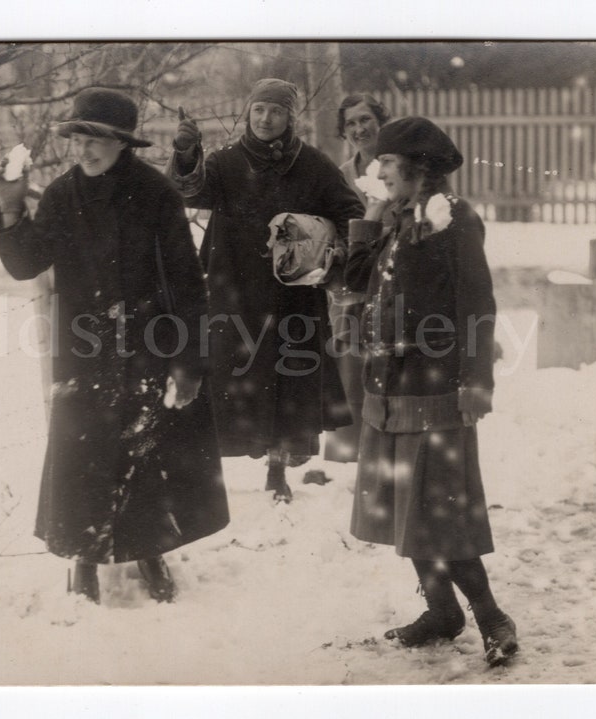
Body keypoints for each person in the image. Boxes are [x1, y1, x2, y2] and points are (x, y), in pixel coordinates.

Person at [0, 87, 229, 604]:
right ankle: (85, 558)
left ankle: (150, 550)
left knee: (145, 449)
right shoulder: (62, 195)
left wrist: (189, 361)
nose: (84, 149)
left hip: (148, 346)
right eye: (78, 138)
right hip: (83, 348)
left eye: (96, 139)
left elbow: (187, 281)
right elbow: (26, 263)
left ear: (123, 142)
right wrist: (10, 208)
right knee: (84, 454)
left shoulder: (155, 194)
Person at [343, 116, 518, 667]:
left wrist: (477, 380)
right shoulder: (398, 218)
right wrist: (370, 218)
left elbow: (478, 302)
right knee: (407, 508)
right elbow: (355, 279)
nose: (379, 171)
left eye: (387, 162)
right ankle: (442, 611)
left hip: (436, 387)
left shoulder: (454, 218)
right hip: (389, 386)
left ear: (417, 167)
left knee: (438, 513)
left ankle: (492, 617)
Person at [168, 78, 364, 502]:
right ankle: (212, 473)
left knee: (287, 378)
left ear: (290, 117)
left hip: (291, 293)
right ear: (249, 112)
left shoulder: (312, 164)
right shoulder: (226, 162)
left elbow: (350, 210)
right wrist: (186, 154)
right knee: (231, 374)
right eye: (258, 109)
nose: (265, 119)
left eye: (275, 111)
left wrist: (328, 247)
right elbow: (189, 191)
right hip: (232, 287)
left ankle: (278, 467)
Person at [324, 93, 393, 464]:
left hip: (392, 275)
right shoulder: (342, 174)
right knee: (349, 365)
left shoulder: (398, 166)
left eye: (365, 119)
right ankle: (346, 454)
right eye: (350, 123)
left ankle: (384, 452)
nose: (359, 129)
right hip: (352, 279)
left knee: (387, 363)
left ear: (381, 121)